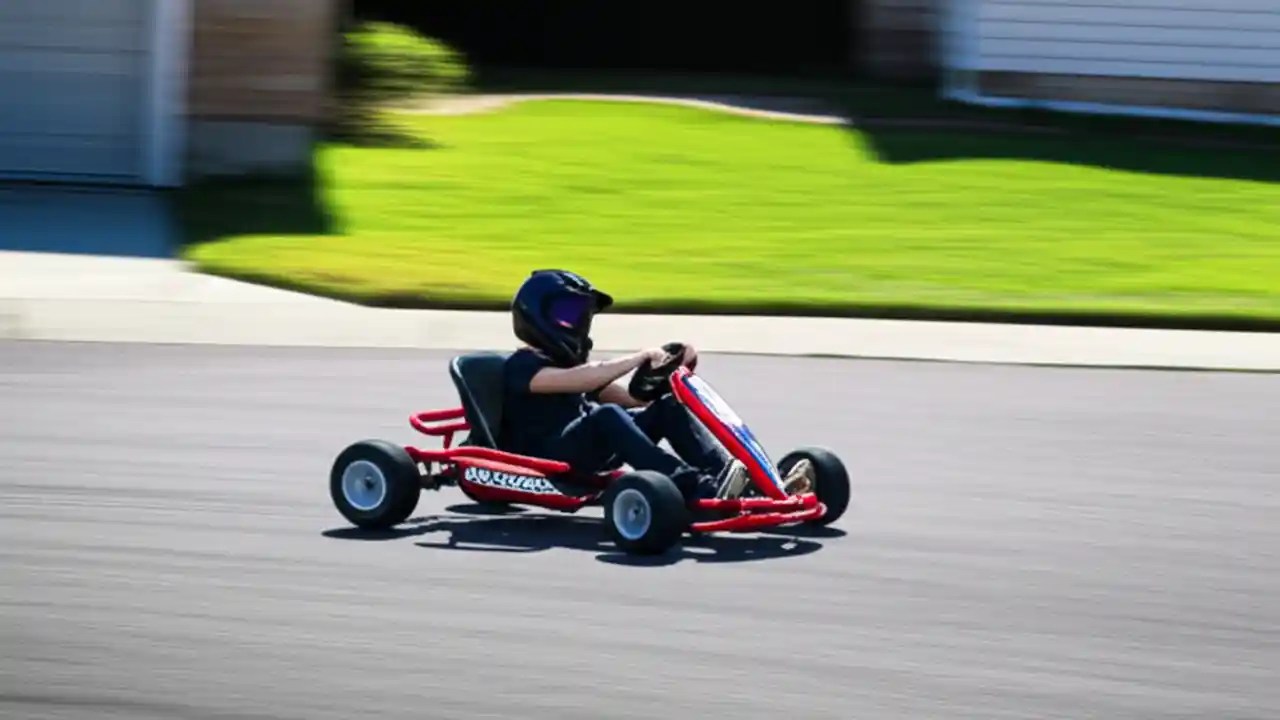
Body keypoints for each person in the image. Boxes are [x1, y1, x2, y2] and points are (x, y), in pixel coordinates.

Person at [497, 268, 813, 505]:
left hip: (587, 447)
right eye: (568, 313)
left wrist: (662, 381)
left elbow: (629, 400)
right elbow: (583, 379)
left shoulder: (573, 369)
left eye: (581, 315)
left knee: (668, 409)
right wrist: (638, 358)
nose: (578, 323)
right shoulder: (522, 367)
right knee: (605, 415)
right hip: (547, 454)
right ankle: (693, 486)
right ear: (537, 315)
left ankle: (742, 479)